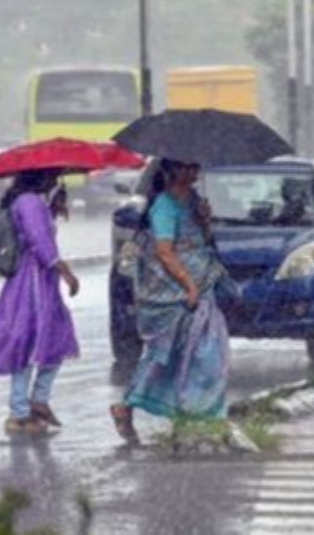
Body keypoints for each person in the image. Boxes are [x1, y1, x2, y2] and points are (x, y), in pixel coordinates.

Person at [110, 159, 230, 444]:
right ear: (169, 171)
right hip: (173, 293)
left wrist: (205, 221)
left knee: (208, 354)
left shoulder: (193, 201)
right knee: (163, 356)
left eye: (195, 167)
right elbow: (165, 252)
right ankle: (128, 407)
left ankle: (199, 417)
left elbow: (203, 241)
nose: (192, 173)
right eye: (184, 167)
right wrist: (189, 286)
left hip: (202, 287)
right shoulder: (163, 205)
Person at [0, 169, 80, 436]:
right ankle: (21, 411)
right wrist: (65, 271)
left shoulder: (33, 202)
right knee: (29, 340)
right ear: (39, 177)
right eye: (52, 176)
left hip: (40, 279)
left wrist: (53, 209)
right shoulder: (30, 202)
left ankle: (35, 403)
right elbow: (41, 243)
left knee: (53, 337)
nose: (55, 180)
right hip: (32, 279)